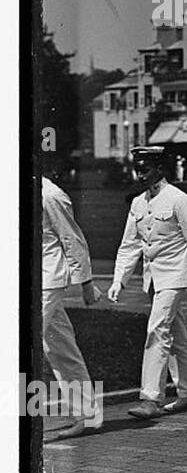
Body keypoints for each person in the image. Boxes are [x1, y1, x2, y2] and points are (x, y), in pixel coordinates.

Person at [108, 145, 187, 420]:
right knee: (175, 334)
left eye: (146, 169)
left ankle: (150, 397)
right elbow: (129, 245)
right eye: (137, 169)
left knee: (157, 330)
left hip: (176, 276)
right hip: (153, 280)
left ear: (160, 169)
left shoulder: (180, 200)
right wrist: (120, 279)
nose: (140, 175)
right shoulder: (138, 203)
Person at [41, 174, 102, 439]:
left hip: (47, 281)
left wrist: (86, 284)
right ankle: (87, 417)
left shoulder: (51, 195)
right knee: (60, 346)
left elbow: (72, 239)